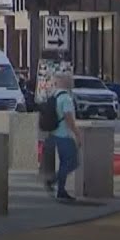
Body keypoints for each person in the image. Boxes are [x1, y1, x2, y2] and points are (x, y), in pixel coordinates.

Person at [45, 73, 79, 201]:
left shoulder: (54, 95)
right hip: (64, 134)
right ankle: (56, 184)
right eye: (69, 80)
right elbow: (69, 118)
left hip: (54, 133)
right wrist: (77, 134)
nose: (72, 82)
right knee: (72, 162)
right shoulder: (66, 98)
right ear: (65, 82)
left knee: (66, 162)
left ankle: (59, 187)